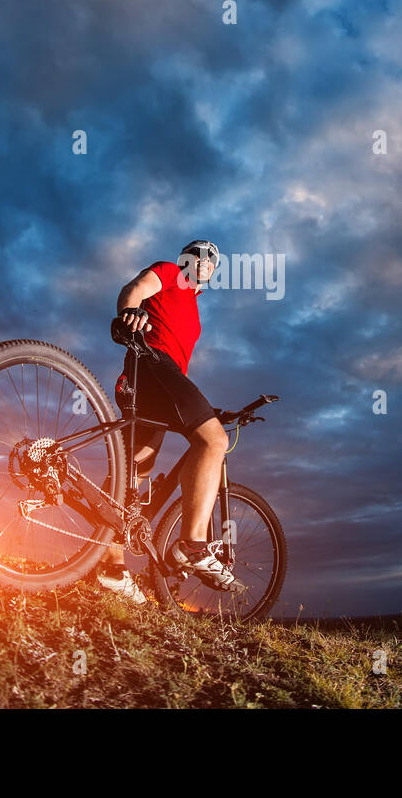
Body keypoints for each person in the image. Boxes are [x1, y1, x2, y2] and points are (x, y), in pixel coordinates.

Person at [95, 239, 247, 603]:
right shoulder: (170, 273)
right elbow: (134, 289)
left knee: (133, 472)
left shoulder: (193, 306)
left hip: (163, 382)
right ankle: (193, 545)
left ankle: (110, 567)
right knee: (213, 442)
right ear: (187, 259)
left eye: (213, 260)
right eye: (200, 255)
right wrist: (128, 314)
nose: (206, 262)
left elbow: (180, 362)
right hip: (151, 364)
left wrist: (207, 412)